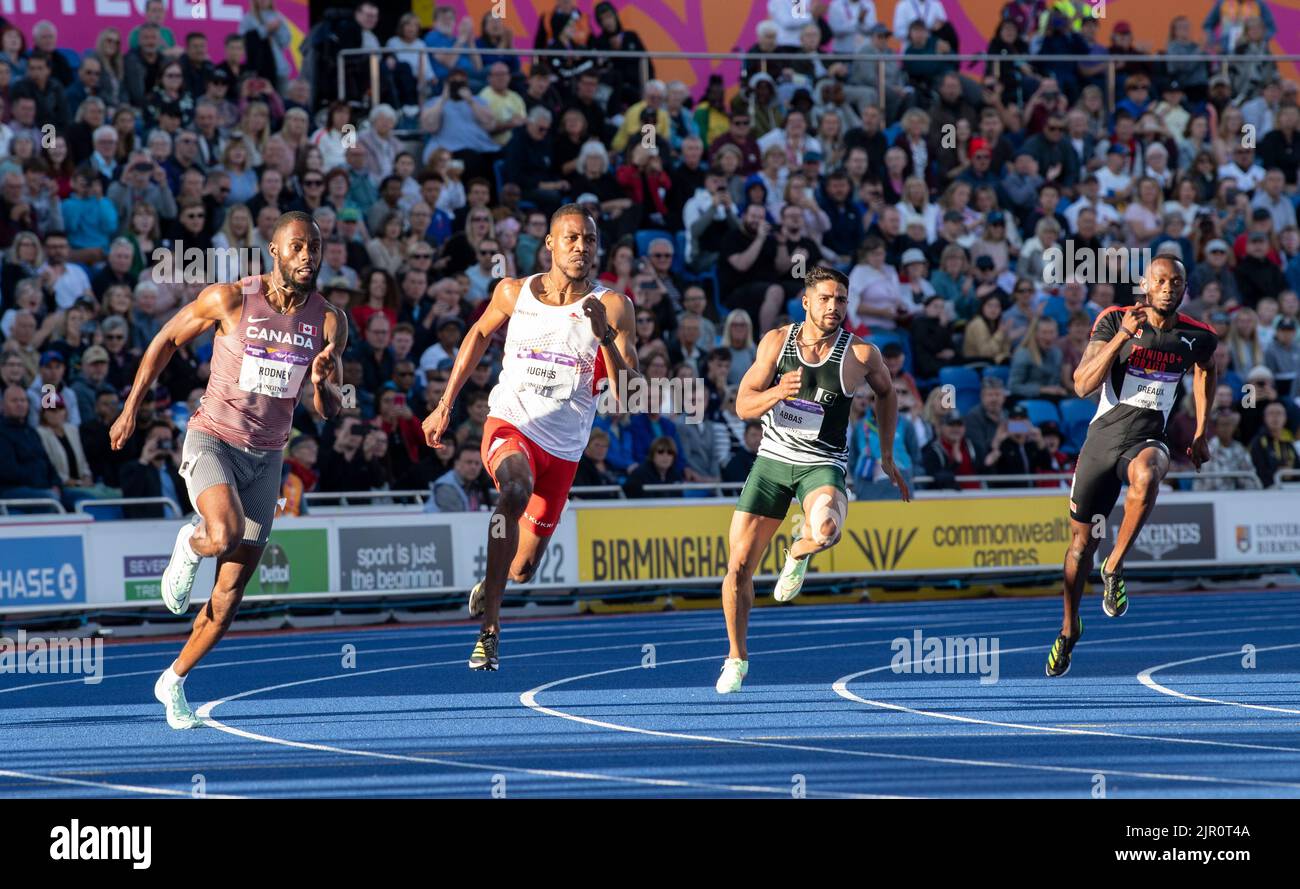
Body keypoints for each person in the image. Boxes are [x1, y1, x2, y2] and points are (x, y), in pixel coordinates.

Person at [108, 212, 346, 728]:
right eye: (298, 247)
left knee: (231, 593)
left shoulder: (329, 321)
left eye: (316, 248)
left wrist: (325, 382)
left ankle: (173, 680)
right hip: (213, 439)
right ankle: (188, 544)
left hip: (268, 459)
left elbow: (327, 409)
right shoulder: (231, 298)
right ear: (274, 253)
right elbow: (167, 339)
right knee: (222, 532)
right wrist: (131, 407)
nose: (309, 257)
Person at [421, 205, 639, 671]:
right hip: (510, 424)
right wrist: (445, 404)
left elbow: (629, 396)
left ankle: (495, 583)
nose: (581, 248)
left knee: (523, 569)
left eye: (590, 241)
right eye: (572, 239)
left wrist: (603, 338)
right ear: (551, 244)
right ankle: (490, 631)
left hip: (562, 451)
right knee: (513, 491)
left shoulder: (614, 306)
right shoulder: (513, 292)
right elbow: (478, 334)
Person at [716, 266, 910, 694]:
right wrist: (776, 394)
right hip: (771, 461)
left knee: (826, 532)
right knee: (738, 569)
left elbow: (887, 392)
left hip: (821, 464)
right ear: (806, 301)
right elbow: (744, 404)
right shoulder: (775, 341)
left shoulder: (861, 354)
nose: (834, 307)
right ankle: (736, 657)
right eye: (825, 298)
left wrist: (886, 452)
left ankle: (797, 552)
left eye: (841, 299)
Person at [1047, 257, 1218, 678]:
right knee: (1080, 547)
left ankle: (1116, 565)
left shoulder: (1199, 336)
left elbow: (1206, 371)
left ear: (1184, 288)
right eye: (1160, 281)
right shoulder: (1113, 319)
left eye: (1176, 281)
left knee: (1150, 471)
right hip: (1102, 441)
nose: (1167, 288)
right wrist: (1123, 334)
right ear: (1145, 284)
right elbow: (1083, 385)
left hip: (1147, 439)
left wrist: (1199, 430)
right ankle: (1070, 627)